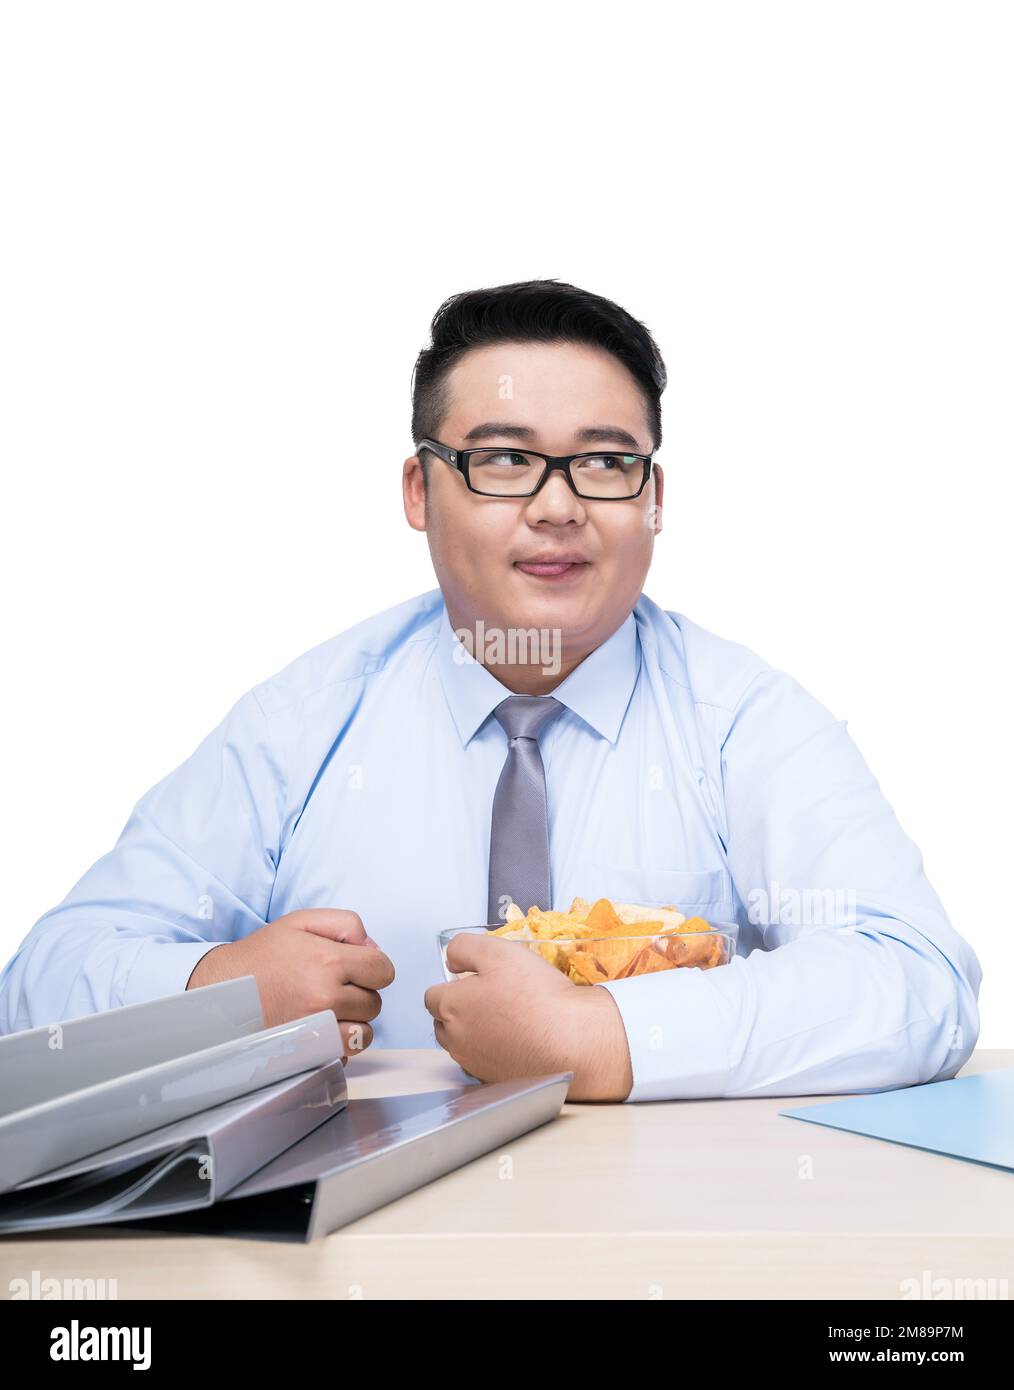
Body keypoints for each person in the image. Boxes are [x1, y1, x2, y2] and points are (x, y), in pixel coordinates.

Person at [0, 280, 981, 1101]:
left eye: (605, 461)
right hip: (357, 1241)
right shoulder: (305, 722)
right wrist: (213, 993)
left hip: (663, 1233)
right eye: (505, 459)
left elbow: (919, 983)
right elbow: (38, 987)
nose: (557, 505)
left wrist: (601, 1036)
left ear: (653, 499)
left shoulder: (744, 722)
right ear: (419, 492)